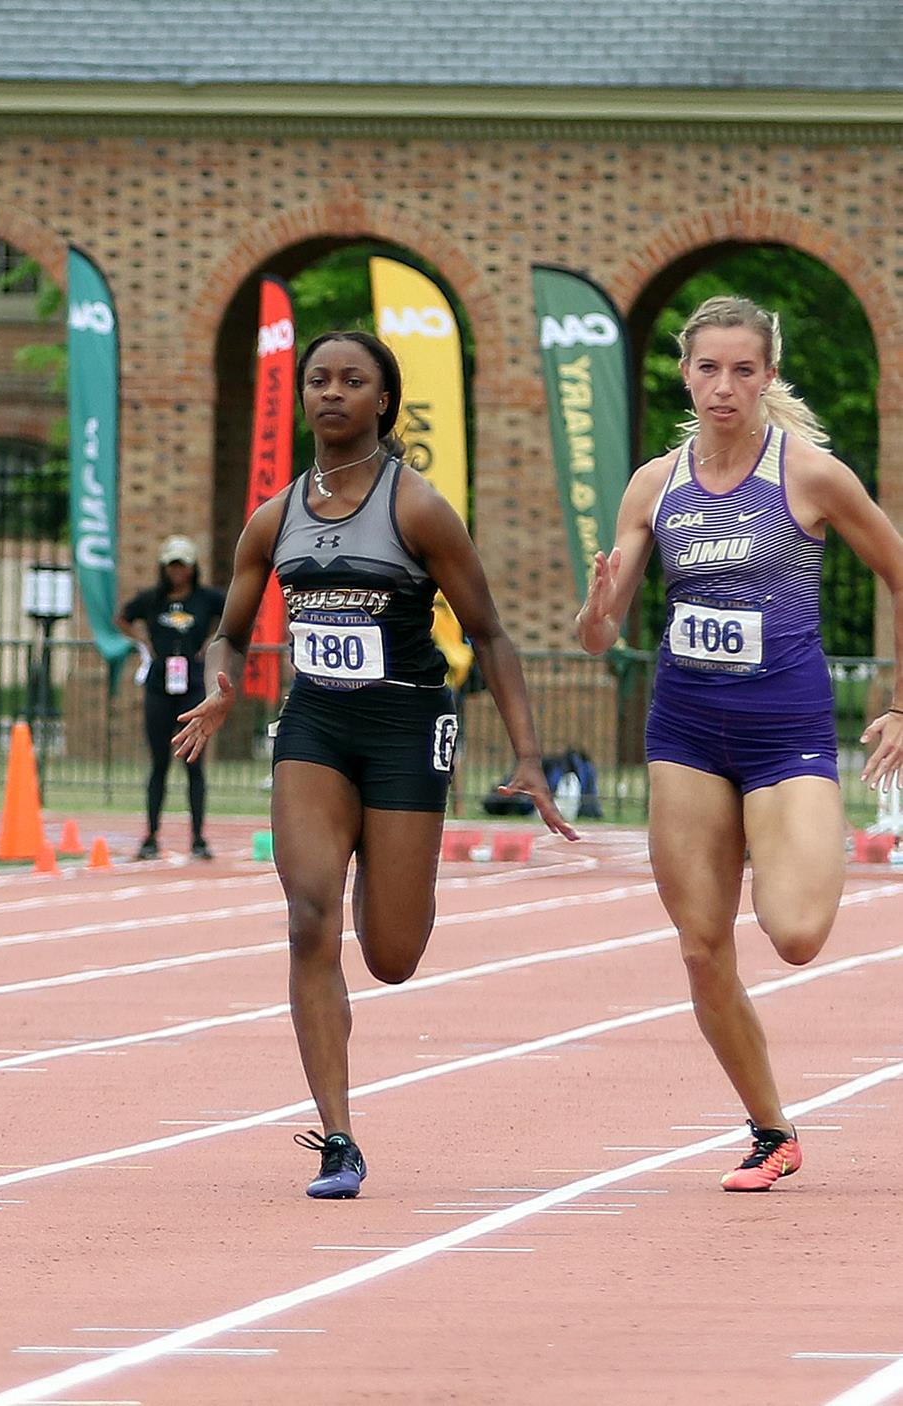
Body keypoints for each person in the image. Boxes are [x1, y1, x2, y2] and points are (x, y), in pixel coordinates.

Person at [175, 329, 572, 1200]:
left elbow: (491, 635)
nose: (331, 392)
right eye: (318, 379)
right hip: (315, 724)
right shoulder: (273, 518)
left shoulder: (417, 508)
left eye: (352, 380)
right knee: (307, 919)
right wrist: (219, 687)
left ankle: (383, 868)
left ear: (383, 400)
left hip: (405, 727)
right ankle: (339, 1138)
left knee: (391, 955)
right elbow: (227, 633)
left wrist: (529, 756)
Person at [575, 295, 903, 1191]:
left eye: (743, 370)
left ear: (768, 376)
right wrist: (597, 612)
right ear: (687, 374)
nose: (725, 386)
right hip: (686, 731)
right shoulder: (655, 484)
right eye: (709, 368)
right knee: (700, 946)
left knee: (793, 934)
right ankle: (771, 1130)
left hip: (785, 730)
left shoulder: (810, 474)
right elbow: (599, 637)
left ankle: (794, 836)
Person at [119, 535, 226, 860]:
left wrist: (212, 641)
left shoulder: (206, 599)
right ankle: (151, 835)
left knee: (194, 763)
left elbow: (235, 612)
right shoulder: (152, 600)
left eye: (183, 566)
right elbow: (123, 617)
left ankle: (198, 837)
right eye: (172, 566)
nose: (177, 573)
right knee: (159, 763)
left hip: (192, 686)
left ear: (193, 568)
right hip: (160, 686)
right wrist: (143, 641)